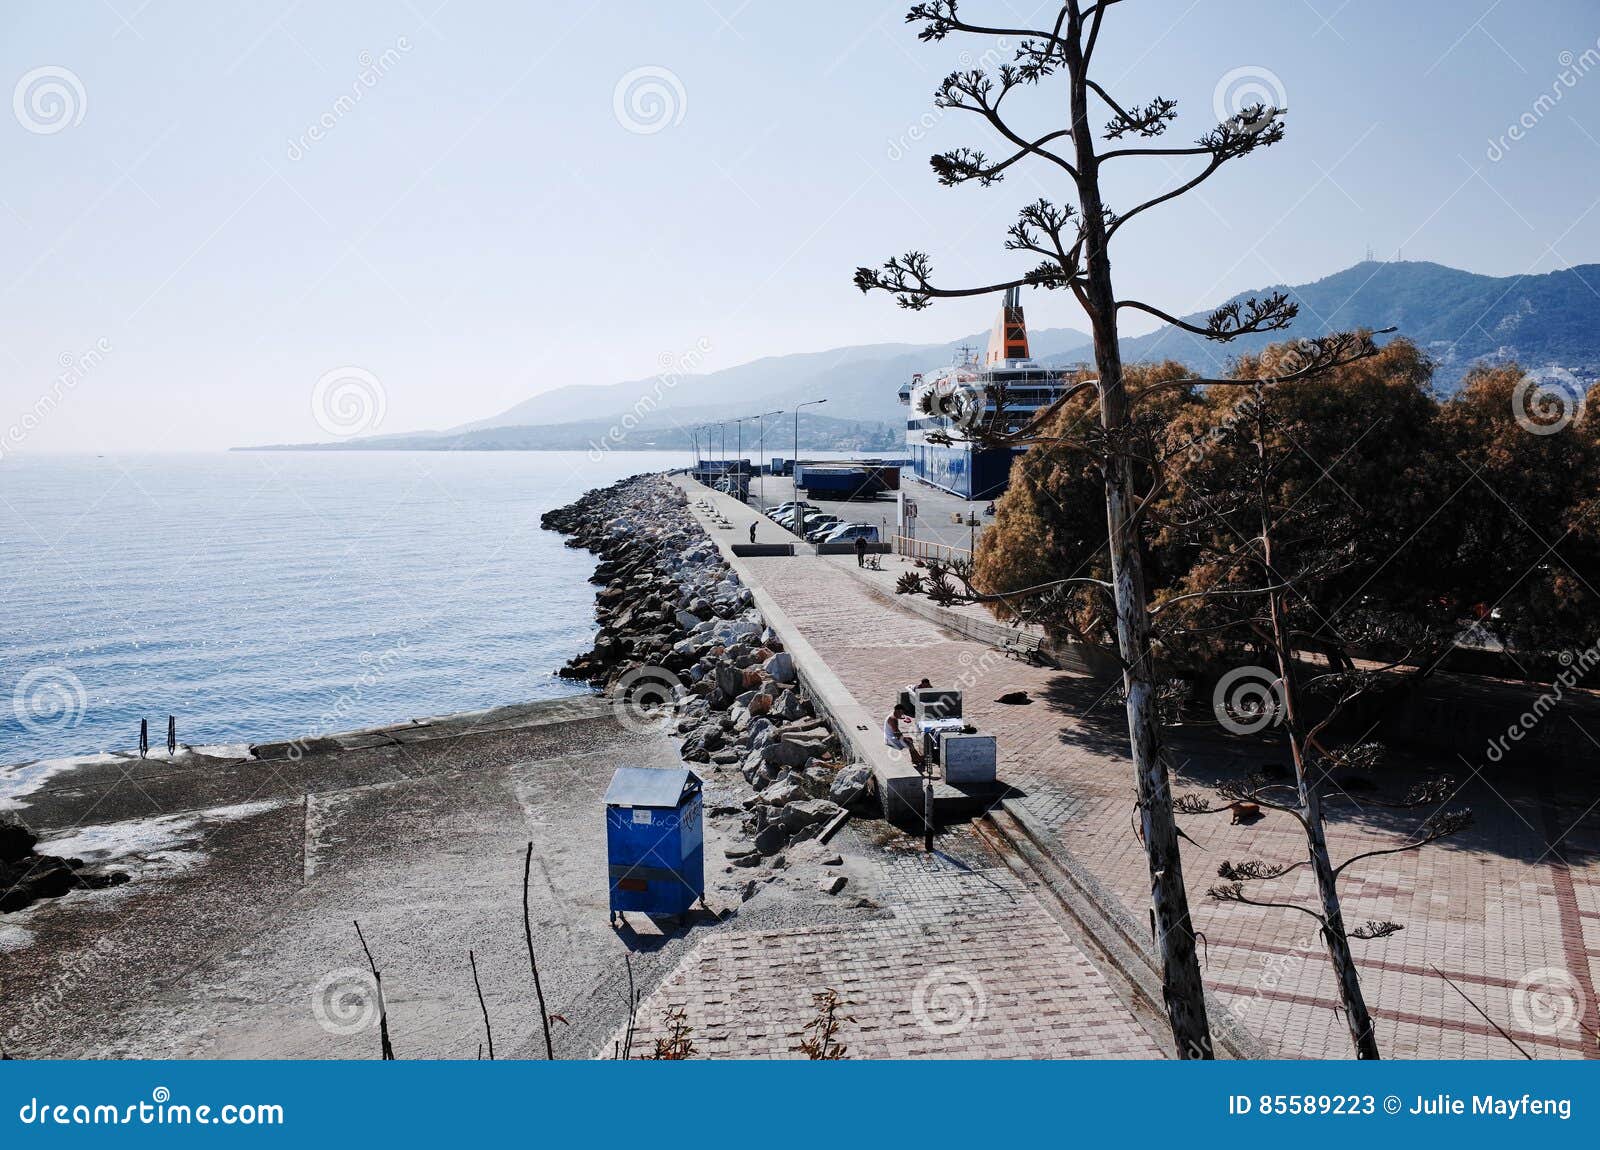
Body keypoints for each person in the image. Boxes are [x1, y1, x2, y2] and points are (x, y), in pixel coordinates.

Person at [883, 701, 924, 768]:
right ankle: (917, 758)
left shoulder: (892, 715)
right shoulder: (893, 719)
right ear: (897, 711)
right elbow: (896, 733)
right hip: (891, 740)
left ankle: (915, 758)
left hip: (890, 737)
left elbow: (897, 730)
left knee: (909, 740)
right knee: (909, 742)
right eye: (901, 713)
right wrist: (904, 739)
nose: (902, 714)